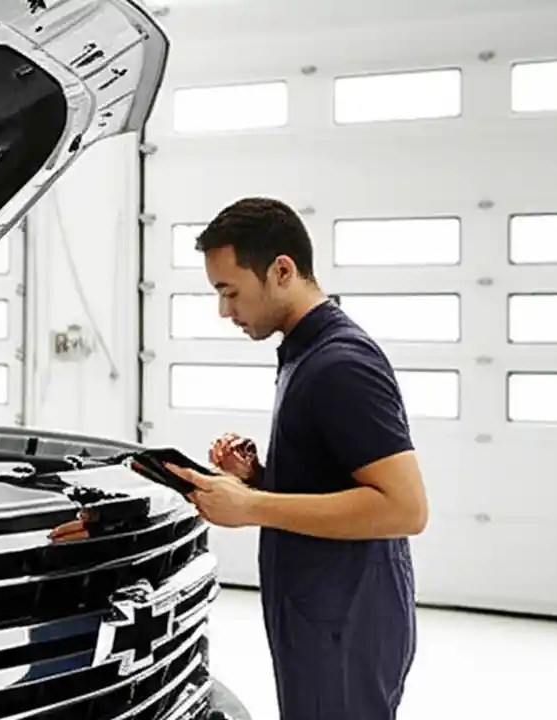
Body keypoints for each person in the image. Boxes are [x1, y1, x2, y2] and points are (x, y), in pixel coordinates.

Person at [165, 197, 429, 720]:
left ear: (281, 270)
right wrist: (260, 479)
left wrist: (252, 506)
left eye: (229, 291)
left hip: (346, 623)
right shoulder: (304, 353)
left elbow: (405, 508)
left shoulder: (340, 364)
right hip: (320, 615)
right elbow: (333, 480)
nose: (224, 311)